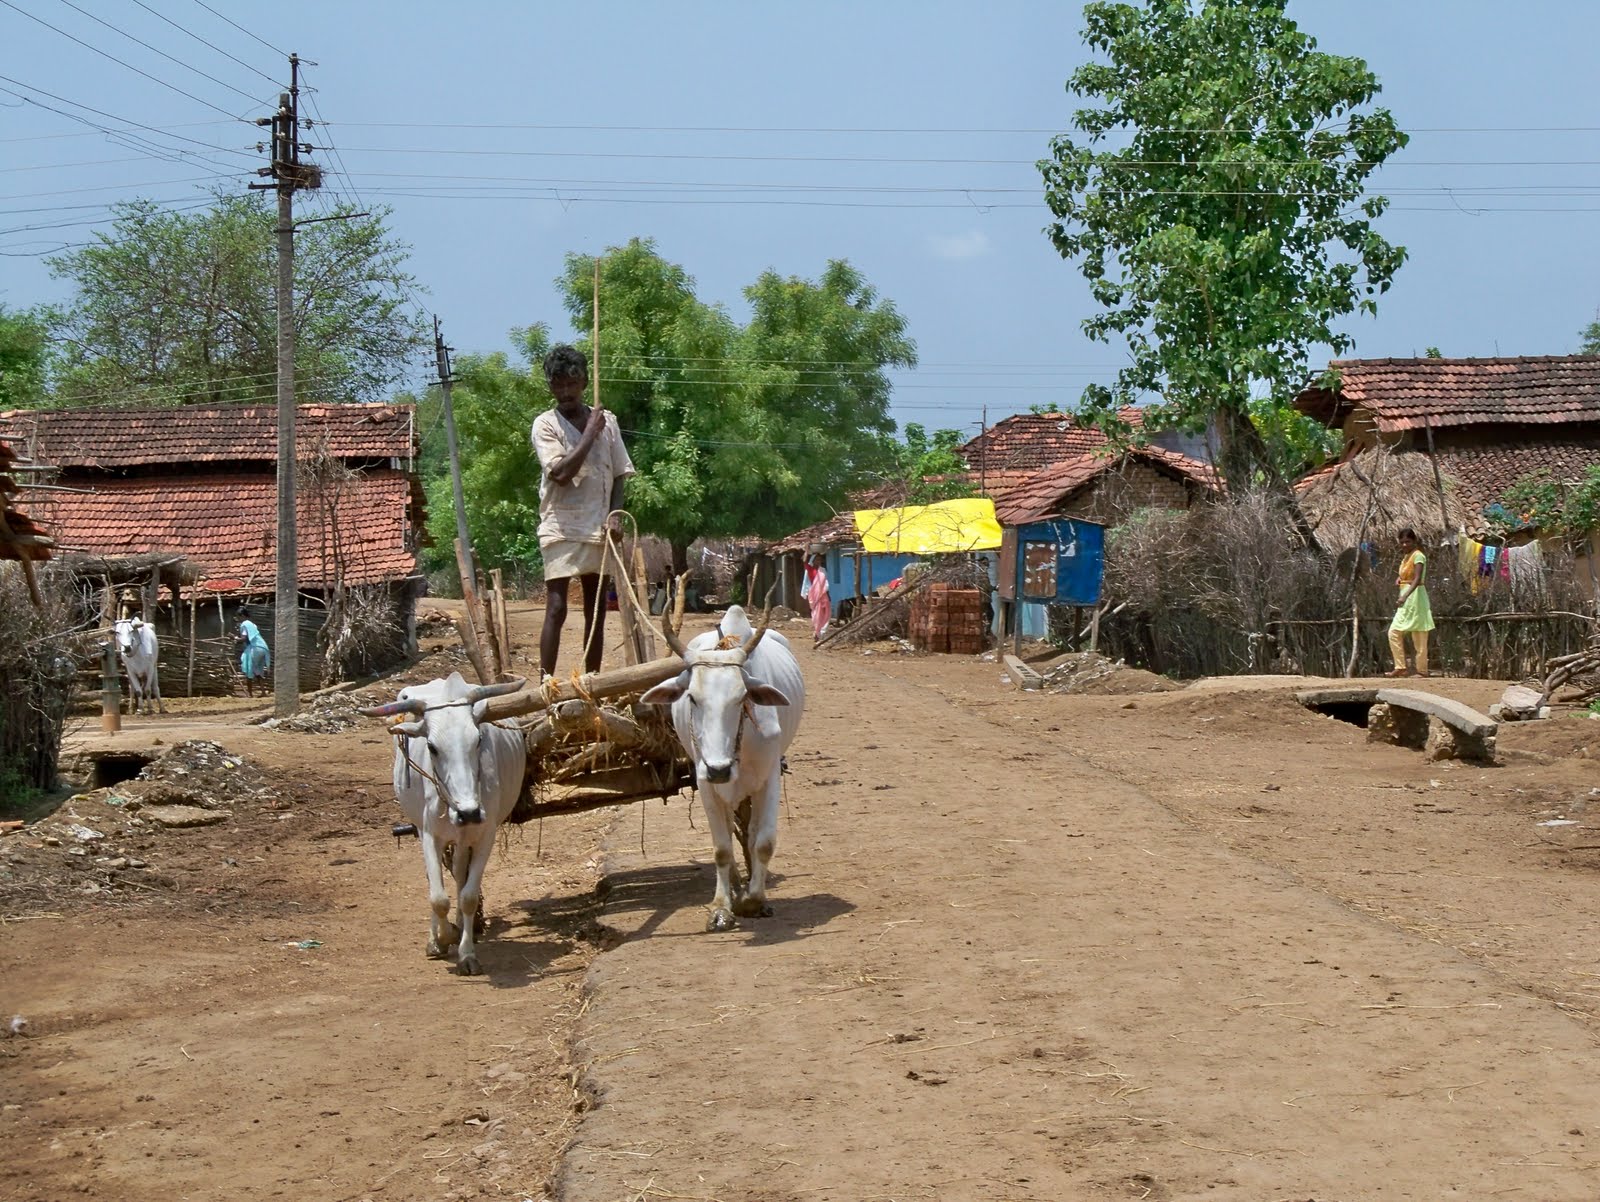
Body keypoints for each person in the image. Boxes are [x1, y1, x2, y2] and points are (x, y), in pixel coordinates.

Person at [530, 344, 634, 679]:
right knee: (557, 608)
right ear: (550, 386)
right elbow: (560, 475)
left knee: (597, 611)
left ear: (584, 382)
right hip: (560, 526)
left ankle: (592, 680)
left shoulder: (609, 423)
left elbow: (619, 474)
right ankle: (547, 682)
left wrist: (615, 514)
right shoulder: (546, 425)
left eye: (571, 384)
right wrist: (589, 433)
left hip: (598, 527)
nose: (565, 392)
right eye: (557, 385)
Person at [1387, 527, 1435, 677]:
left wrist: (1405, 595)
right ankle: (1400, 666)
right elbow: (1407, 575)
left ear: (1414, 541)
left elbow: (1418, 579)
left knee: (1419, 634)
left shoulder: (1418, 556)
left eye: (1407, 541)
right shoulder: (1405, 558)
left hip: (1416, 597)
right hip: (1406, 598)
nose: (1404, 545)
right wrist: (1400, 580)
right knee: (1393, 632)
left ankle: (1422, 671)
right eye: (1402, 542)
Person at [235, 607, 271, 697]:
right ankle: (263, 692)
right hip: (263, 647)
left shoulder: (244, 624)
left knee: (249, 669)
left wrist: (234, 638)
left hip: (255, 648)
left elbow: (244, 638)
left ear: (242, 616)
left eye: (239, 617)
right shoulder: (252, 624)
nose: (238, 619)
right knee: (258, 670)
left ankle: (250, 694)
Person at [802, 552, 831, 645]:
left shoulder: (822, 570)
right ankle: (817, 633)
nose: (819, 561)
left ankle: (822, 632)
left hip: (824, 594)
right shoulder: (810, 570)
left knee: (827, 614)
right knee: (817, 615)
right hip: (814, 595)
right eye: (817, 559)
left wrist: (827, 594)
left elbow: (825, 583)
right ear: (813, 560)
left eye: (820, 559)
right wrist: (806, 550)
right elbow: (804, 560)